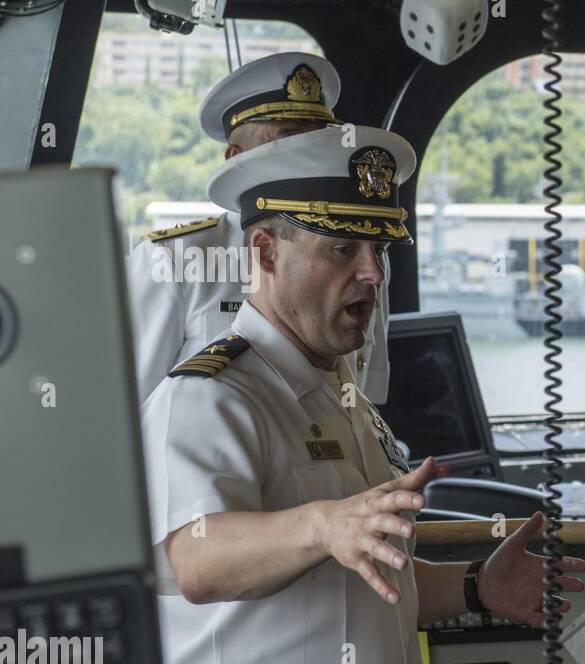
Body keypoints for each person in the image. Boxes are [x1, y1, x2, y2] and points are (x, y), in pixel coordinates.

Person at [141, 123, 585, 664]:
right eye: (342, 247)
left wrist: (474, 587)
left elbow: (363, 583)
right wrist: (322, 524)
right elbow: (195, 562)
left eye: (376, 247)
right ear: (265, 251)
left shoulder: (344, 399)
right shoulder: (211, 396)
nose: (372, 271)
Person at [125, 52, 391, 405]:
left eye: (317, 141)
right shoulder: (173, 260)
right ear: (235, 156)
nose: (307, 159)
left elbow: (362, 403)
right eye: (287, 141)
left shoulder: (362, 261)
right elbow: (125, 412)